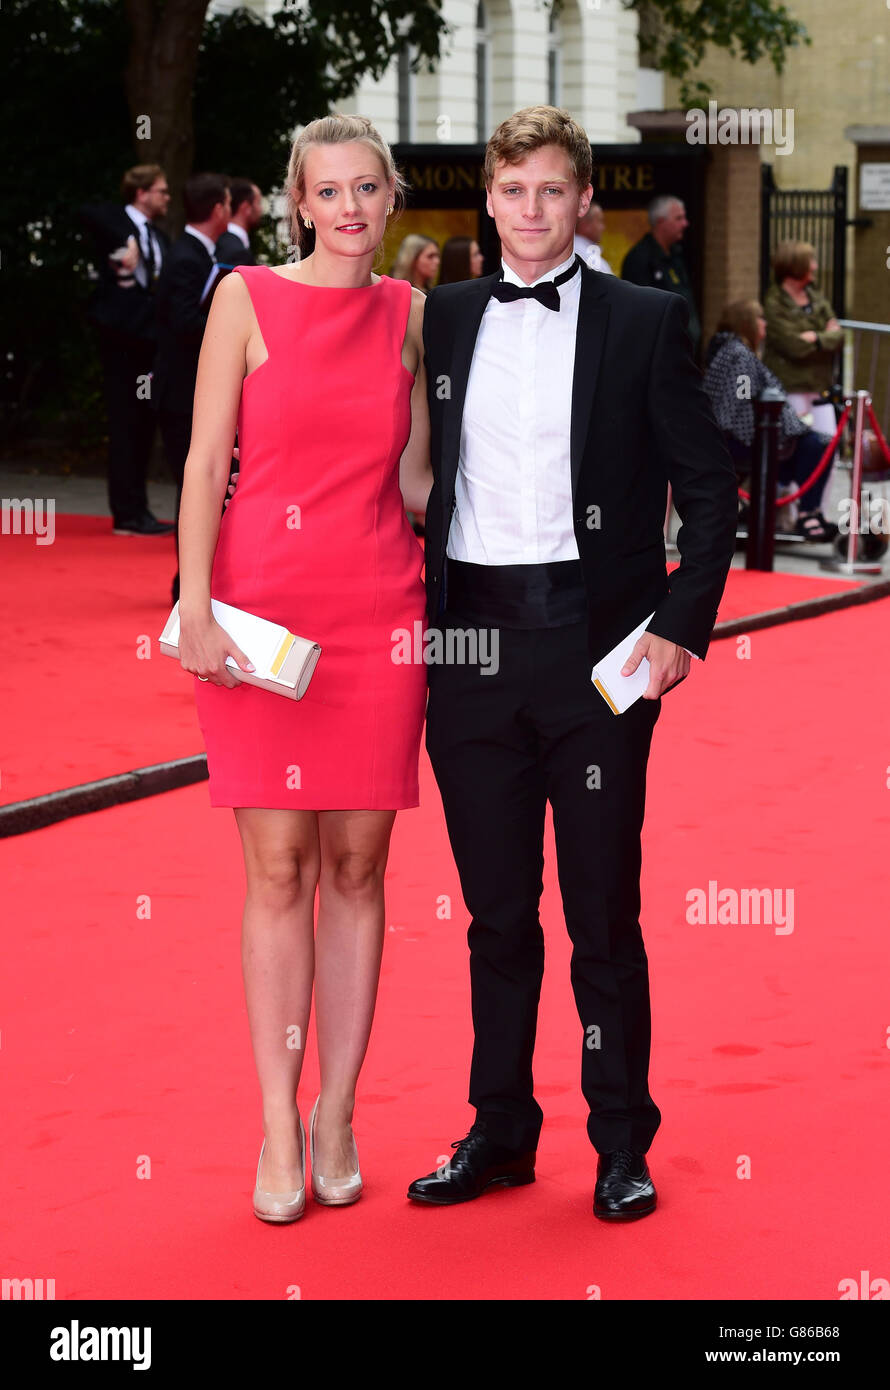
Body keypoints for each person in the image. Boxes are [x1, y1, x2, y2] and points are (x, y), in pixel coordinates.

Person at [407, 106, 738, 1221]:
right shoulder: (442, 318)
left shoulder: (644, 318)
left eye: (551, 190)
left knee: (602, 911)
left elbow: (706, 484)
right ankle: (499, 1128)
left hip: (595, 649)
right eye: (511, 192)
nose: (530, 211)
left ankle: (618, 1141)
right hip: (467, 651)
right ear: (487, 199)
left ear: (580, 197)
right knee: (494, 913)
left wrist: (680, 628)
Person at [176, 114, 431, 1223]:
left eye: (365, 188)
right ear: (294, 201)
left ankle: (339, 1109)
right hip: (261, 614)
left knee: (359, 868)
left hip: (378, 608)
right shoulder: (241, 298)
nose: (347, 209)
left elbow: (421, 481)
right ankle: (278, 1120)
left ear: (389, 198)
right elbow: (199, 460)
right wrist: (192, 604)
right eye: (325, 191)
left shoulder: (413, 315)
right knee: (276, 866)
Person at [80, 164, 174, 536]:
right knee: (124, 424)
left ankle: (138, 510)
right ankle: (127, 514)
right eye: (161, 191)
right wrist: (127, 239)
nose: (167, 197)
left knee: (141, 425)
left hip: (148, 343)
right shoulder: (117, 223)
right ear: (141, 193)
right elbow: (87, 213)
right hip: (121, 341)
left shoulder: (160, 238)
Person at [153, 172, 232, 603]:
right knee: (195, 485)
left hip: (190, 389)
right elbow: (182, 321)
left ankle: (196, 582)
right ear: (218, 209)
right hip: (182, 393)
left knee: (202, 483)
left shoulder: (194, 253)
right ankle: (188, 585)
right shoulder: (185, 256)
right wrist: (231, 327)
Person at [704, 299, 839, 542]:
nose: (764, 324)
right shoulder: (739, 356)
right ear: (747, 323)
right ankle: (808, 514)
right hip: (747, 441)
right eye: (760, 318)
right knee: (817, 445)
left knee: (816, 443)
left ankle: (809, 512)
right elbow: (740, 400)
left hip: (751, 436)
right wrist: (770, 433)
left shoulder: (730, 351)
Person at [762, 240, 844, 438]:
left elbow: (839, 336)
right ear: (796, 266)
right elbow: (793, 346)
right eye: (811, 261)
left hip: (819, 385)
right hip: (792, 387)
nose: (815, 266)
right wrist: (824, 338)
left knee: (828, 444)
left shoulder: (814, 295)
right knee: (798, 446)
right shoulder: (774, 302)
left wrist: (814, 338)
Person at [621, 194, 701, 353]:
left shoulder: (676, 255)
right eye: (679, 218)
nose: (685, 223)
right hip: (658, 351)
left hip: (684, 351)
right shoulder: (639, 259)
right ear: (660, 222)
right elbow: (639, 312)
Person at [216, 178, 264, 266]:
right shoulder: (236, 252)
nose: (261, 209)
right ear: (246, 208)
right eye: (259, 203)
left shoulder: (222, 241)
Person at [574, 201, 612, 274]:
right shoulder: (590, 258)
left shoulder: (564, 251)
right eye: (600, 221)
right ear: (585, 224)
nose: (603, 228)